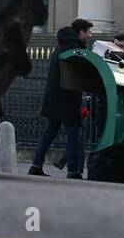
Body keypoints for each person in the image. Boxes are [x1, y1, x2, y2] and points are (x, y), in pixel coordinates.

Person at [28, 18, 92, 178]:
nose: (90, 35)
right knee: (73, 135)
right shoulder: (73, 48)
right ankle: (73, 171)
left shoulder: (61, 46)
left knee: (50, 132)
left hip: (55, 96)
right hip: (68, 97)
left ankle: (36, 166)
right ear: (80, 32)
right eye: (88, 32)